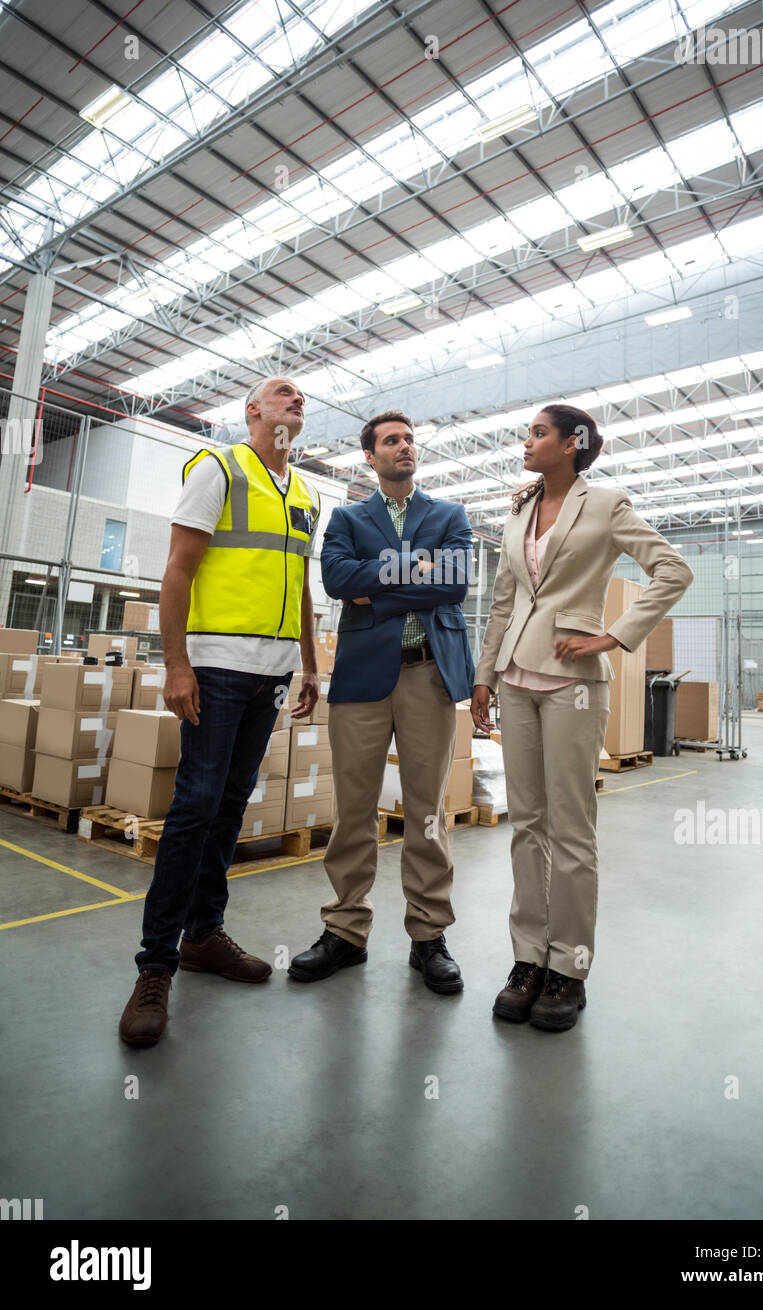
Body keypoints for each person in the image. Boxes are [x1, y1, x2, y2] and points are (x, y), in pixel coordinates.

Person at [470, 404, 693, 1032]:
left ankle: (570, 965)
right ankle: (527, 959)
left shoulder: (607, 503)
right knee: (526, 825)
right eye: (528, 432)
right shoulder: (517, 509)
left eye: (539, 432)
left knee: (571, 830)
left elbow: (672, 569)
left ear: (574, 444)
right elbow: (503, 601)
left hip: (572, 681)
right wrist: (483, 677)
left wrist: (613, 636)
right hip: (514, 679)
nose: (527, 441)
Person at [119, 376, 321, 1047]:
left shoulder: (304, 493)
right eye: (282, 392)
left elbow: (301, 590)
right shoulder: (219, 468)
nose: (295, 400)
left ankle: (204, 934)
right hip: (215, 668)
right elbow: (177, 569)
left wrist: (311, 665)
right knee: (195, 806)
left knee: (231, 803)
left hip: (270, 675)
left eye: (301, 396)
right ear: (252, 410)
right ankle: (156, 967)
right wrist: (176, 664)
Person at [290, 410, 475, 994]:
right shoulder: (347, 517)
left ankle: (428, 938)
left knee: (427, 812)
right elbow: (339, 582)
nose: (405, 447)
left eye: (410, 439)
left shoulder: (449, 515)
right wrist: (408, 573)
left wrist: (379, 591)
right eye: (392, 441)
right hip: (363, 680)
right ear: (369, 457)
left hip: (428, 678)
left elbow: (453, 583)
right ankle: (345, 931)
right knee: (353, 810)